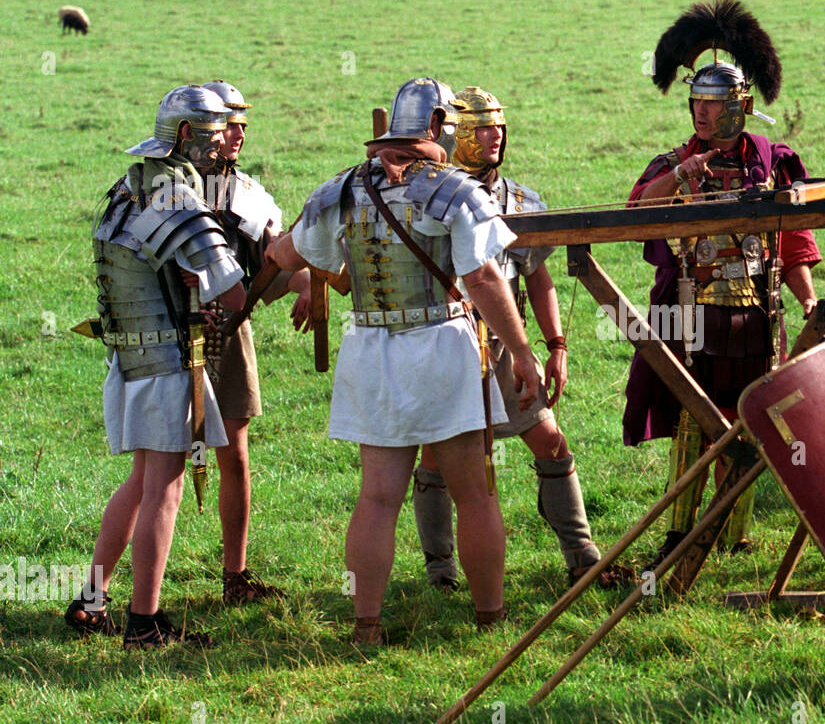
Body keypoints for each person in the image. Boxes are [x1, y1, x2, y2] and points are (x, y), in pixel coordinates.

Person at [265, 77, 541, 642]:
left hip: (370, 349)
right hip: (441, 346)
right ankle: (490, 617)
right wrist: (522, 352)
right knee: (475, 492)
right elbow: (485, 278)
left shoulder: (341, 190)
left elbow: (284, 252)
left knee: (377, 496)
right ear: (440, 128)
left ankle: (367, 624)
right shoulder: (457, 192)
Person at [412, 87, 634, 590]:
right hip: (447, 347)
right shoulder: (424, 200)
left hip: (507, 349)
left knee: (550, 442)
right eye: (483, 128)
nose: (495, 137)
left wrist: (555, 346)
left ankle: (582, 554)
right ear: (456, 133)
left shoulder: (519, 202)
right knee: (438, 457)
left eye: (499, 127)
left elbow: (535, 277)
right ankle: (440, 571)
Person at [624, 0, 820, 563]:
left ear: (741, 106)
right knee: (693, 418)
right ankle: (681, 529)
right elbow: (639, 208)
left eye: (713, 106)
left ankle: (734, 533)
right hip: (694, 311)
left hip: (760, 311)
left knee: (749, 419)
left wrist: (805, 297)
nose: (702, 116)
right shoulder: (674, 161)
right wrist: (684, 176)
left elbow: (794, 239)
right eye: (696, 104)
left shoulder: (771, 161)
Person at [66, 85, 247, 648]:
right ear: (187, 136)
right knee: (164, 487)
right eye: (215, 136)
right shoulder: (177, 195)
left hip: (129, 353)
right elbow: (233, 293)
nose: (223, 148)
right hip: (167, 359)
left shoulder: (130, 185)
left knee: (143, 482)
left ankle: (92, 601)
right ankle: (144, 624)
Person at [199, 80, 310, 604]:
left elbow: (272, 268)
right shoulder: (164, 187)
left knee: (235, 456)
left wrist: (306, 281)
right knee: (161, 468)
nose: (240, 132)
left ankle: (235, 576)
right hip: (170, 334)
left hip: (228, 330)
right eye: (230, 123)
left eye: (244, 122)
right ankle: (110, 593)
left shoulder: (246, 193)